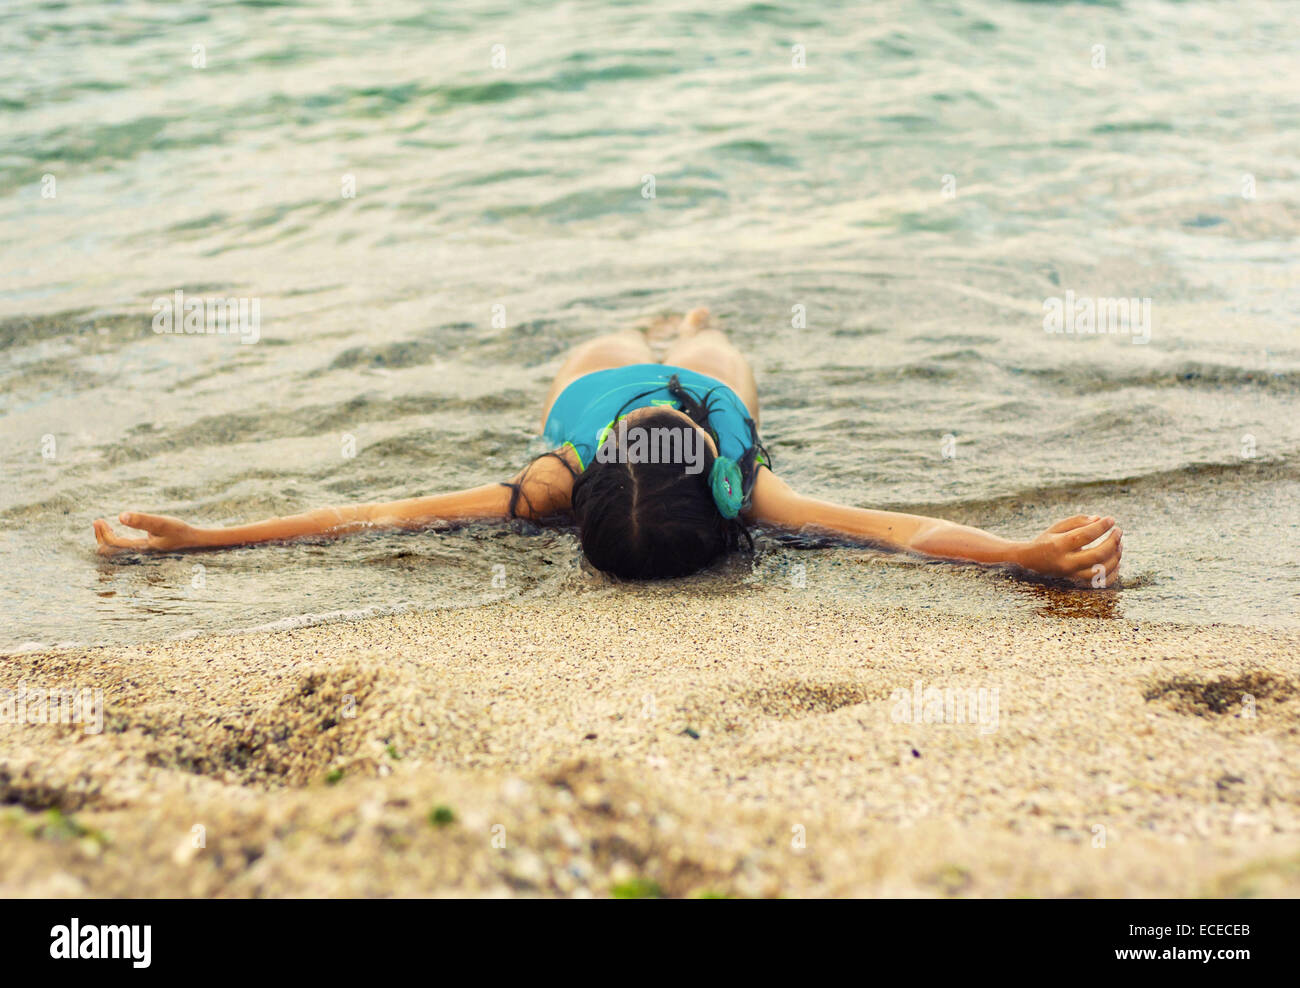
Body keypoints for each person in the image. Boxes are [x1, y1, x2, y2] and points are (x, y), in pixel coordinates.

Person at [94, 308, 1122, 586]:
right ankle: (693, 322)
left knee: (604, 344)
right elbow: (895, 530)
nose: (655, 410)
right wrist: (1016, 554)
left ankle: (637, 330)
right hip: (725, 397)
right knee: (718, 348)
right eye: (655, 428)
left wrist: (202, 536)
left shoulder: (547, 481)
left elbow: (368, 516)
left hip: (582, 391)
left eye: (651, 429)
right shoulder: (743, 479)